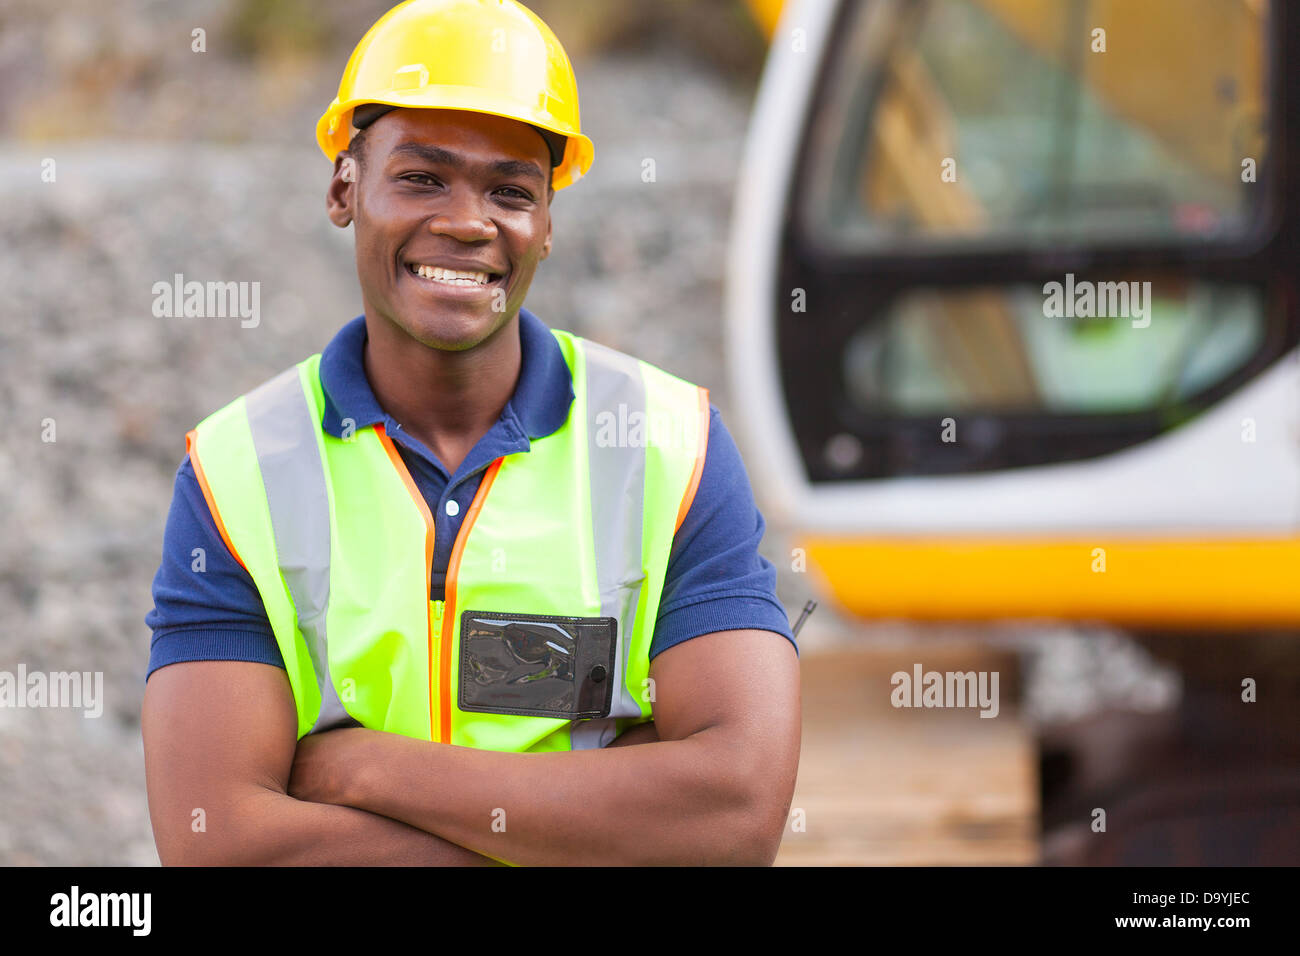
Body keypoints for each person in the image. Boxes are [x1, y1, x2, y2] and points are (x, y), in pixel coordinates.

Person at [141, 0, 799, 866]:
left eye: (511, 190)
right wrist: (604, 822)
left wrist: (364, 769)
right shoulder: (239, 473)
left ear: (548, 226)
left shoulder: (670, 446)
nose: (467, 221)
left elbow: (735, 816)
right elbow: (221, 843)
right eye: (421, 177)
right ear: (344, 189)